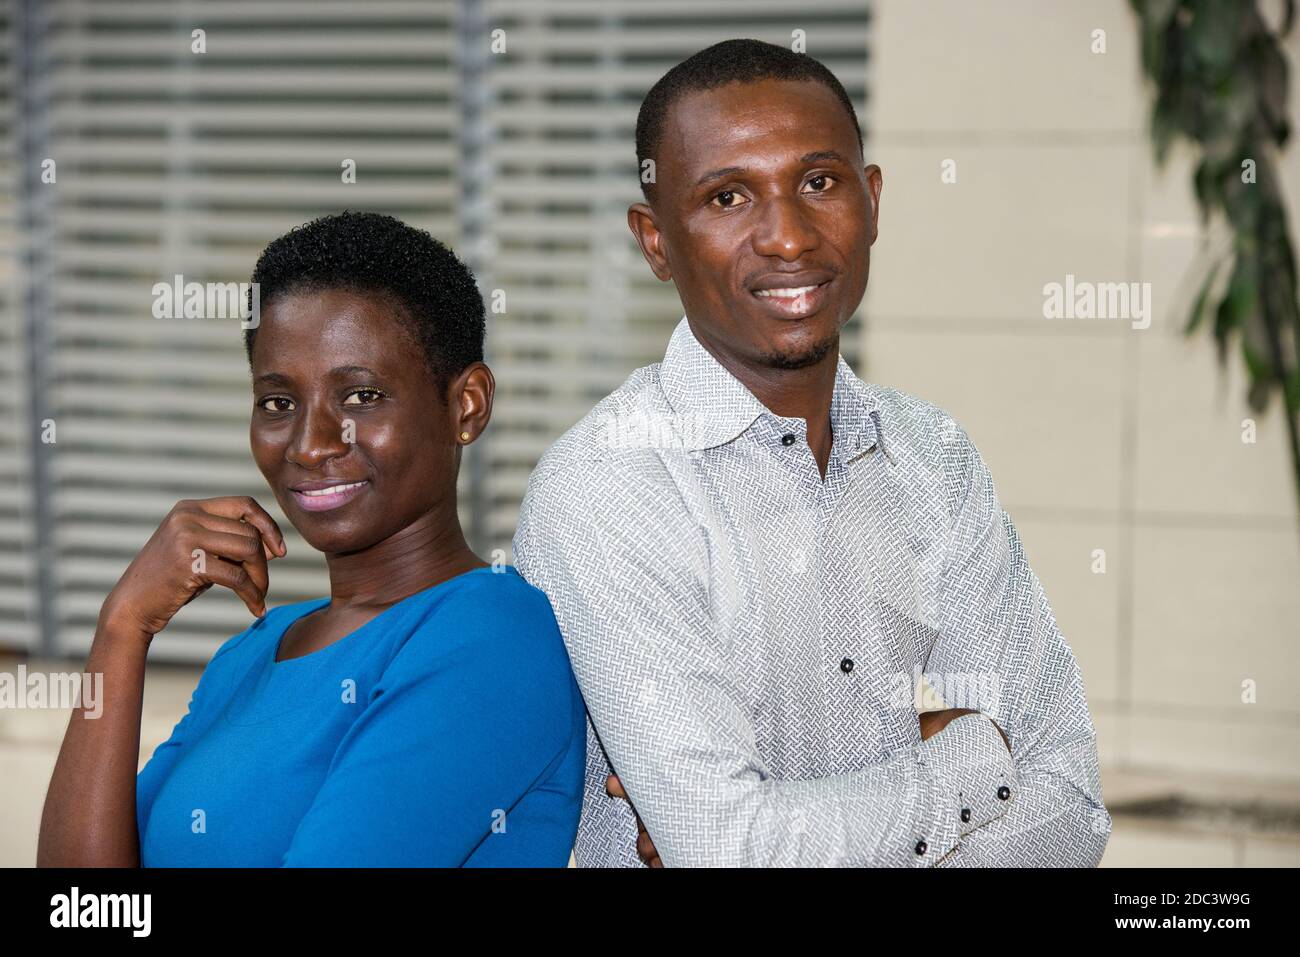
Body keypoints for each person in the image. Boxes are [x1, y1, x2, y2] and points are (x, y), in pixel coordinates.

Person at [513, 39, 1111, 867]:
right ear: (655, 242)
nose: (788, 237)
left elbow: (1072, 807)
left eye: (819, 183)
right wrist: (974, 758)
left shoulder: (934, 460)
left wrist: (781, 823)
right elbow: (727, 847)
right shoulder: (609, 486)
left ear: (870, 202)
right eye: (728, 196)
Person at [38, 211, 585, 867]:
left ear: (466, 405)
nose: (312, 442)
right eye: (277, 402)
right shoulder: (254, 652)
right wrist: (122, 627)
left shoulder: (490, 636)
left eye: (361, 395)